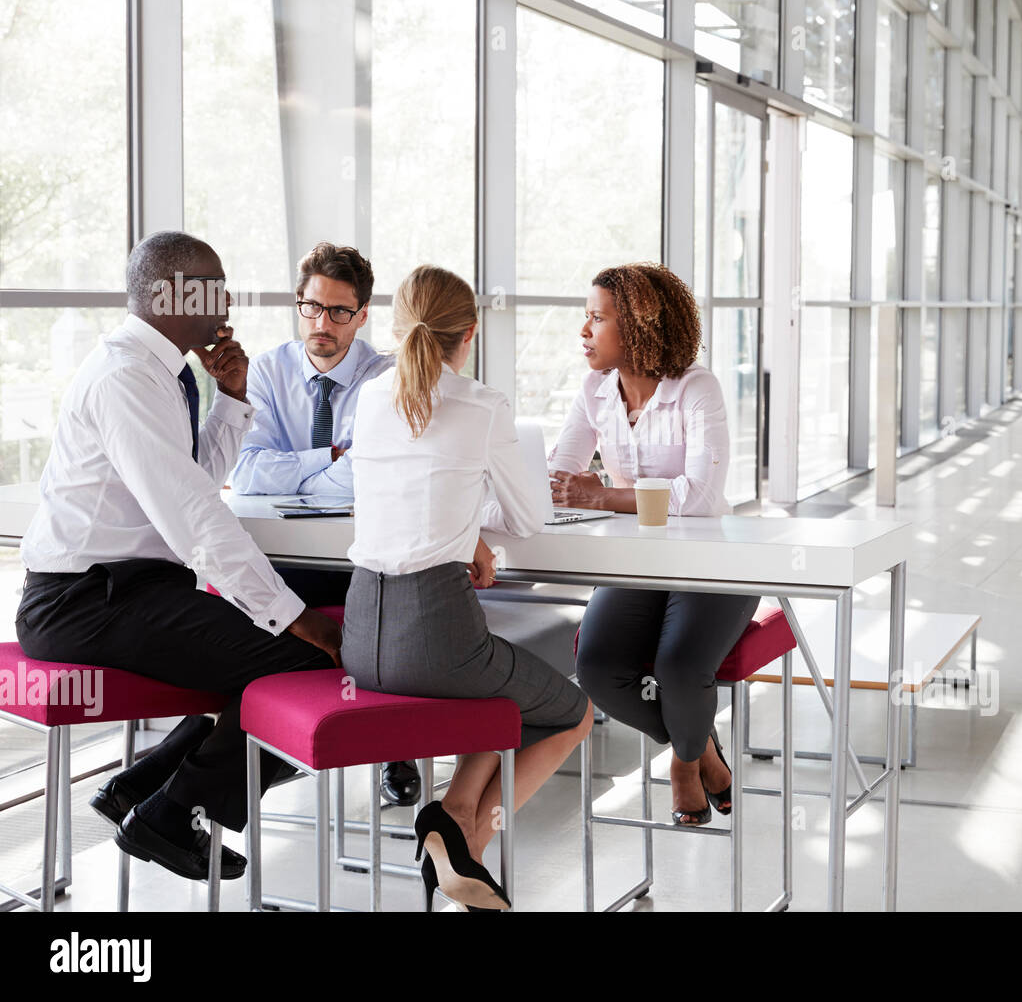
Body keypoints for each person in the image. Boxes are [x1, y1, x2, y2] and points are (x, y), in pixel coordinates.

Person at [15, 230, 341, 882]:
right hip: (87, 601)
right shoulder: (127, 377)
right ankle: (170, 810)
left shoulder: (161, 372)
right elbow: (194, 516)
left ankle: (143, 789)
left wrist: (233, 398)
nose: (227, 298)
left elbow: (196, 478)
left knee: (271, 662)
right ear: (171, 294)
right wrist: (289, 612)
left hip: (127, 592)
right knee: (308, 658)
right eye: (213, 285)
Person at [342, 264, 593, 911]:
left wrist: (462, 530)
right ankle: (468, 839)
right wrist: (475, 527)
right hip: (436, 639)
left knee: (502, 686)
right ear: (470, 334)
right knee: (570, 711)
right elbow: (528, 519)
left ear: (397, 329)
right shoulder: (482, 406)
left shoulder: (368, 398)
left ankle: (454, 818)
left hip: (361, 637)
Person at [228, 241, 444, 806]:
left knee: (388, 610)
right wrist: (328, 458)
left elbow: (369, 478)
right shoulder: (269, 370)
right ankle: (273, 739)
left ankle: (390, 743)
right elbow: (246, 473)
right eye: (311, 307)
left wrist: (303, 470)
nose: (321, 324)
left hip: (365, 559)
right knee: (249, 617)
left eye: (338, 312)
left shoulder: (389, 375)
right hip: (285, 558)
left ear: (362, 315)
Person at [548, 262, 758, 826]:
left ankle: (683, 766)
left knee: (679, 665)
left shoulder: (697, 388)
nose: (584, 331)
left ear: (638, 326)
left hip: (714, 565)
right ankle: (700, 746)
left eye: (598, 318)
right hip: (638, 564)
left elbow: (700, 495)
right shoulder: (594, 391)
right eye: (585, 317)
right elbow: (559, 476)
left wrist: (604, 496)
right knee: (595, 666)